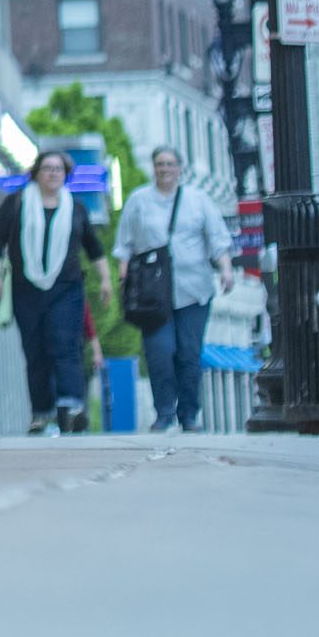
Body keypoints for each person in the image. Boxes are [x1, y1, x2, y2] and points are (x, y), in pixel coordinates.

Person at [121, 144, 234, 433]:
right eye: (160, 164)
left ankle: (189, 415)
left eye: (171, 164)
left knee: (189, 353)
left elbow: (217, 238)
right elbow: (124, 244)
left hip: (193, 289)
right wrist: (124, 278)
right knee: (160, 352)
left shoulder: (198, 201)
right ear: (154, 167)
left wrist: (226, 269)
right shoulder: (139, 201)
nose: (165, 169)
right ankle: (163, 413)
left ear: (180, 168)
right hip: (152, 294)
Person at [0, 147, 103, 435]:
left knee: (65, 345)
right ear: (36, 173)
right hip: (24, 288)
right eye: (47, 168)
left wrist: (105, 280)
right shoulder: (16, 203)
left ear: (66, 175)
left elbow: (94, 248)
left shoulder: (76, 208)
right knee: (35, 350)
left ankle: (71, 407)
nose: (53, 174)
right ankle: (41, 412)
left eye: (58, 169)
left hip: (67, 288)